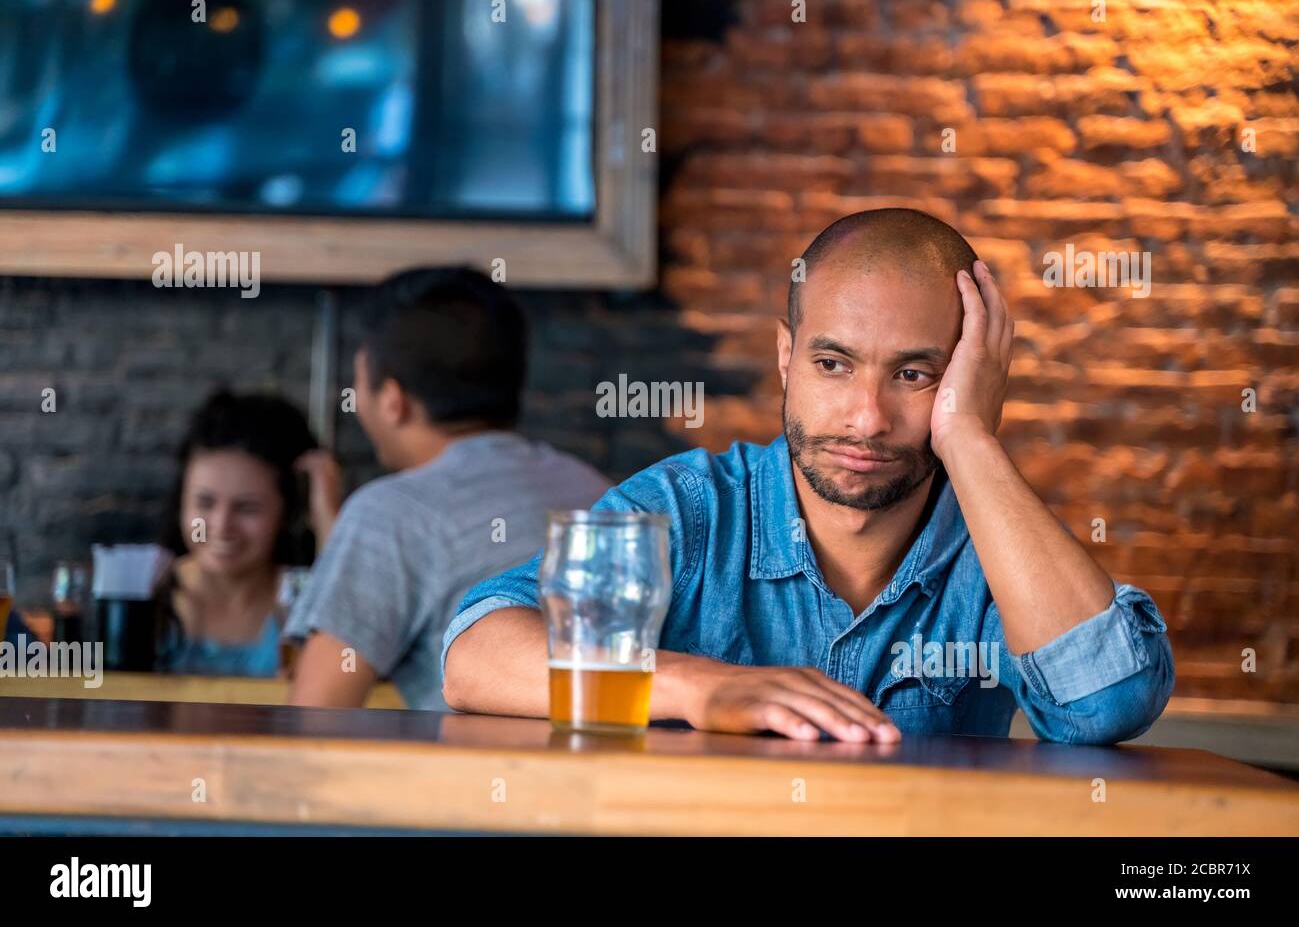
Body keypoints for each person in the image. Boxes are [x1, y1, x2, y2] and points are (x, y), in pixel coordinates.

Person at [441, 209, 1176, 745]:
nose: (866, 417)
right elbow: (475, 653)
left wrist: (971, 440)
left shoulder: (994, 548)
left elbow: (1105, 701)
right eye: (833, 364)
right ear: (787, 358)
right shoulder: (689, 507)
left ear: (967, 378)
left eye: (914, 374)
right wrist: (699, 684)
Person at [285, 267, 611, 710]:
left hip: (477, 778)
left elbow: (314, 714)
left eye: (359, 383)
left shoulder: (388, 513)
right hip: (623, 774)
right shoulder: (603, 491)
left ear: (393, 401)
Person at [155, 389, 331, 677]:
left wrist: (328, 521)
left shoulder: (304, 601)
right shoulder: (145, 594)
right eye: (205, 502)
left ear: (286, 512)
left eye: (247, 508)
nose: (222, 525)